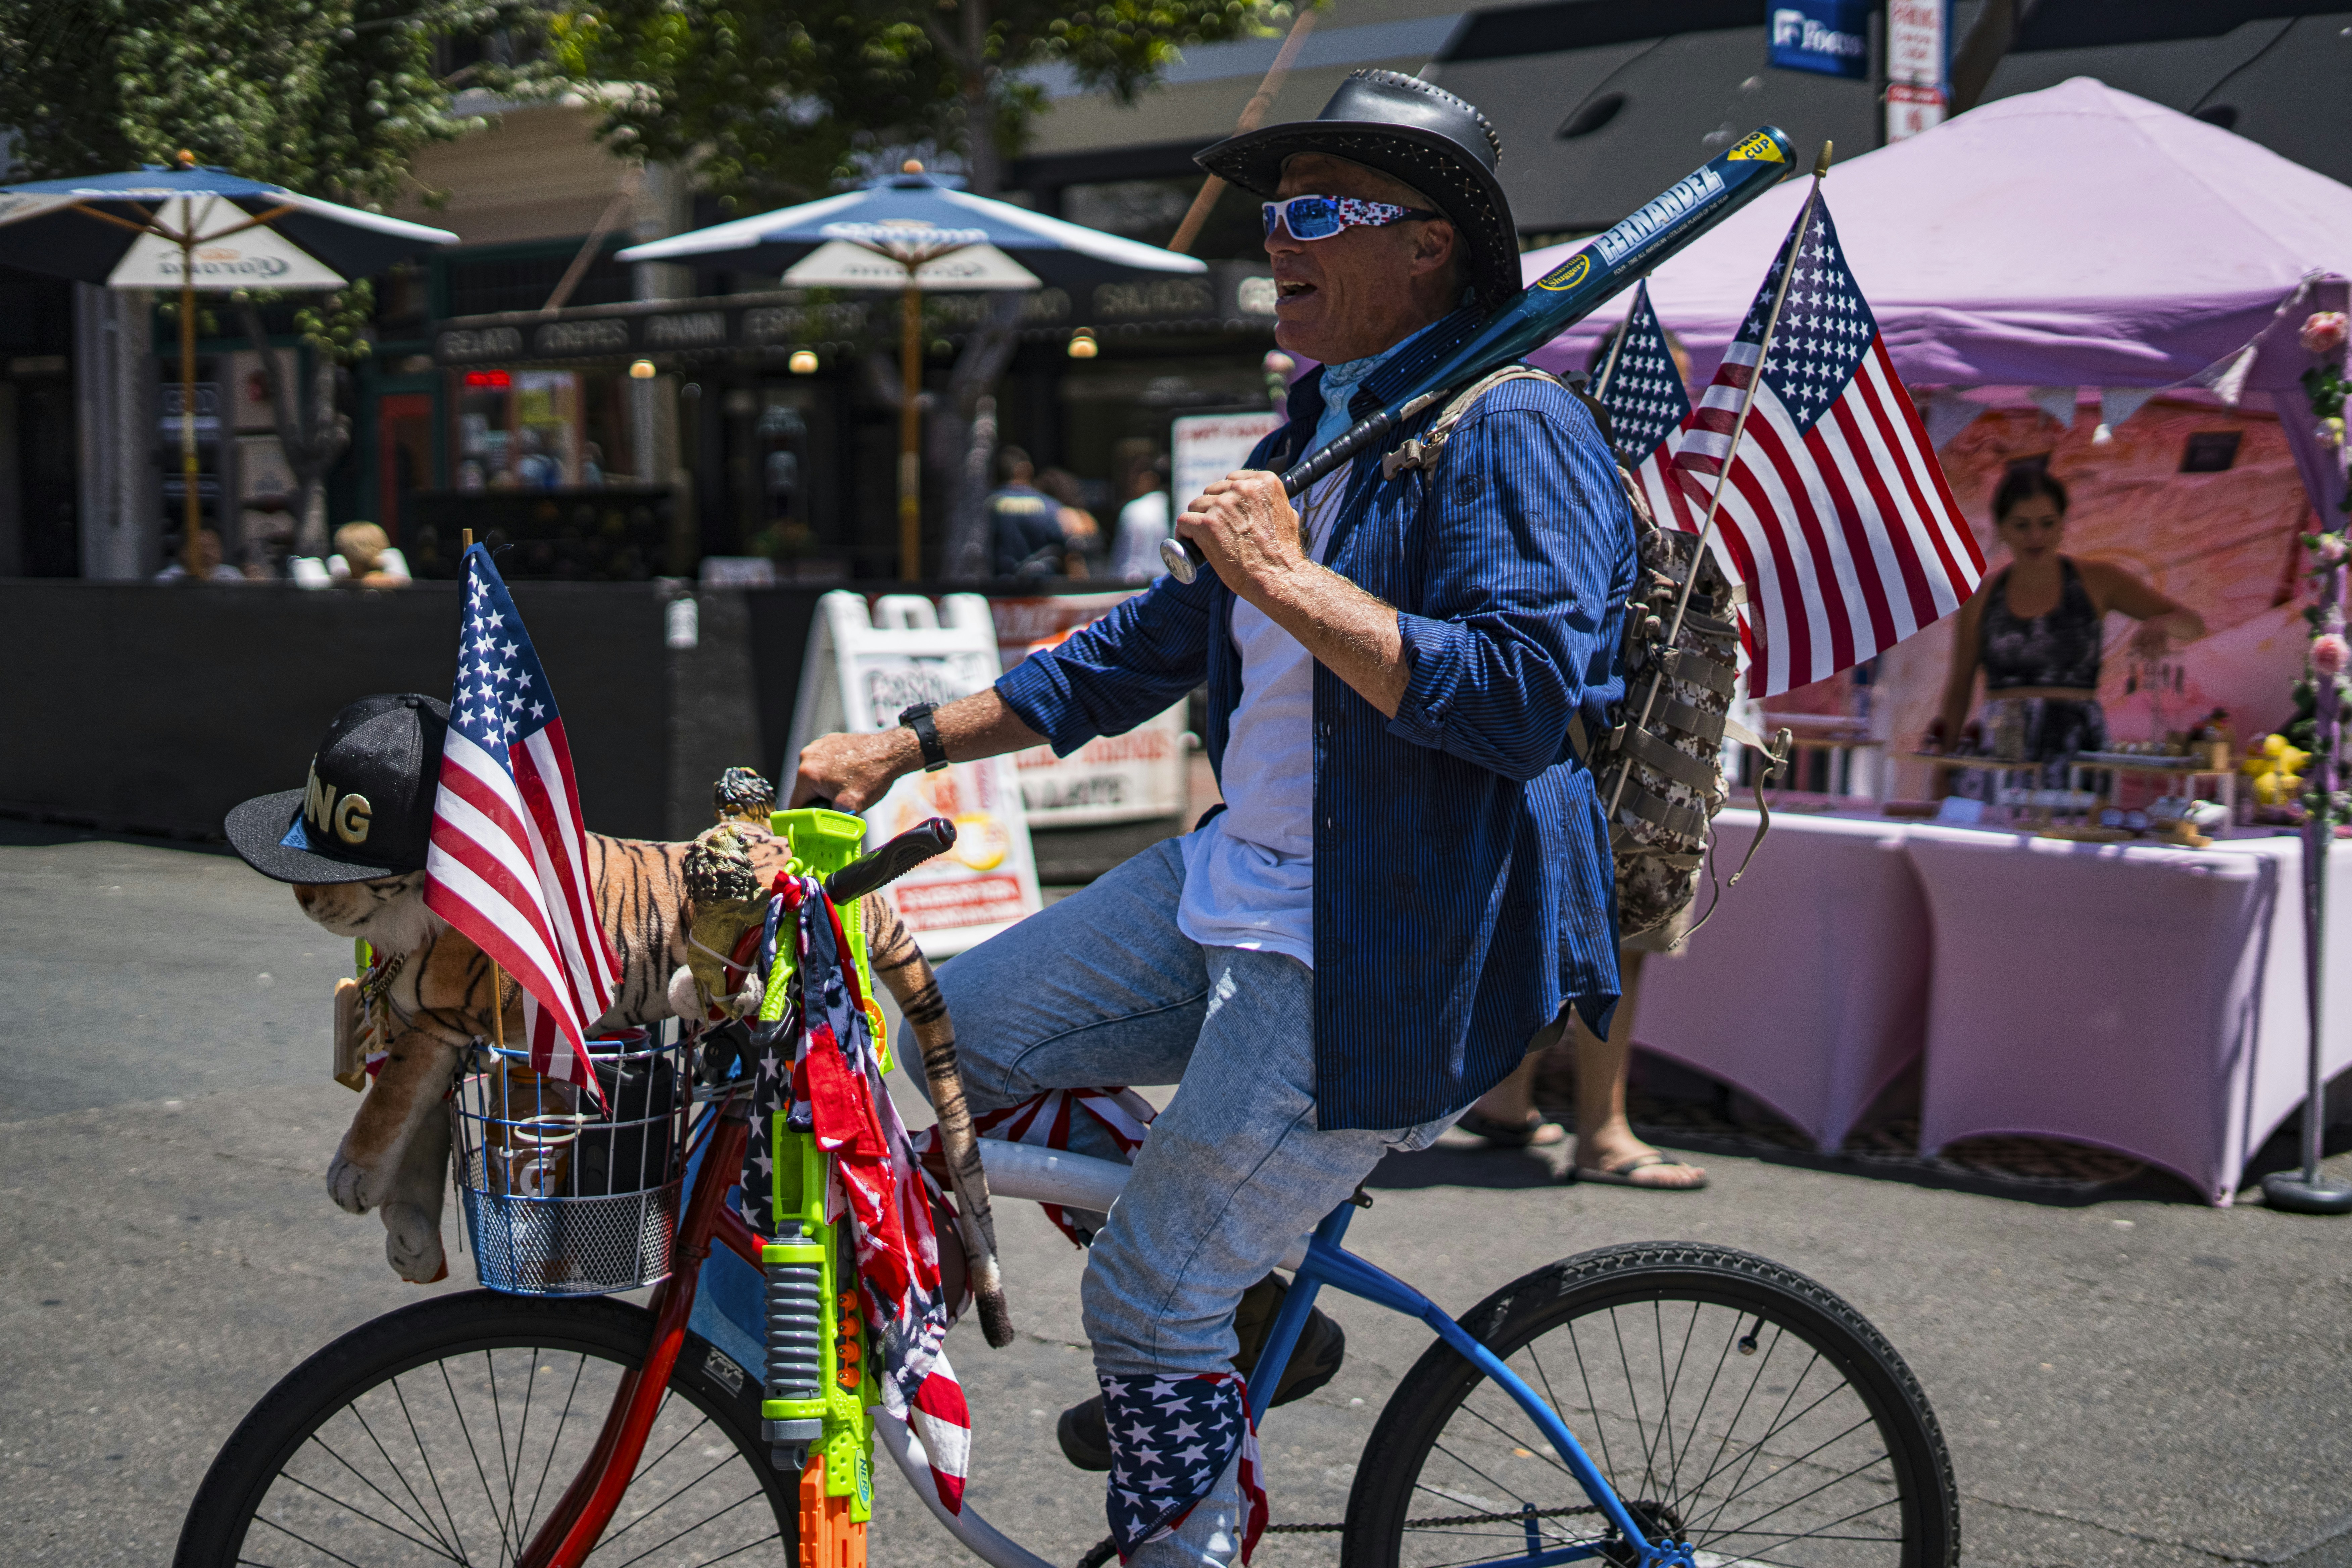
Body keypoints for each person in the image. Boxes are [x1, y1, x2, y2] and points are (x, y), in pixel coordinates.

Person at [793, 68, 1636, 1568]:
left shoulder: (1515, 426)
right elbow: (1137, 651)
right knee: (946, 1047)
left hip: (1390, 933)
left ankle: (1190, 1399)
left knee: (1139, 1294)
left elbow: (1519, 700)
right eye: (1270, 214)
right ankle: (1240, 1291)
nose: (1273, 242)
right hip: (1227, 886)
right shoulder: (1318, 423)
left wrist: (1285, 579)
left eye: (1315, 212)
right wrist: (905, 743)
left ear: (1428, 245)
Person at [1455, 322, 1707, 1189]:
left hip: (1584, 735)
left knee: (1555, 929)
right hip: (1606, 740)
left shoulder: (1581, 463)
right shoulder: (1600, 472)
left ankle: (1509, 1098)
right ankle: (1601, 1129)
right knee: (1616, 934)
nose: (1667, 402)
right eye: (1657, 384)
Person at [1932, 465, 2204, 762]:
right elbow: (1959, 688)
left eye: (2047, 524)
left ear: (2063, 523)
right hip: (2003, 749)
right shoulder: (1981, 597)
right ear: (2001, 527)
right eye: (2022, 525)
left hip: (2077, 752)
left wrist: (2160, 622)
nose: (2036, 536)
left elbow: (2193, 625)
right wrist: (1942, 768)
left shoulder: (2100, 580)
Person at [987, 446, 1067, 578]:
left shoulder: (984, 506)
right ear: (1026, 469)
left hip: (996, 591)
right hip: (1041, 592)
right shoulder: (1051, 507)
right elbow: (1072, 551)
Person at [1109, 454, 1173, 582]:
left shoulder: (1135, 510)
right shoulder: (1175, 508)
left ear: (1149, 479)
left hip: (1136, 587)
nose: (1131, 483)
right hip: (1168, 585)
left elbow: (1127, 561)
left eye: (1135, 478)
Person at [1038, 467, 1102, 576]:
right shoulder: (1087, 517)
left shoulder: (1064, 516)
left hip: (1080, 588)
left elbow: (1075, 560)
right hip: (1099, 579)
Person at [154, 528, 244, 582]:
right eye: (201, 547)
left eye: (212, 546)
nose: (207, 552)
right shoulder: (168, 580)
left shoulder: (233, 577)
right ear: (184, 551)